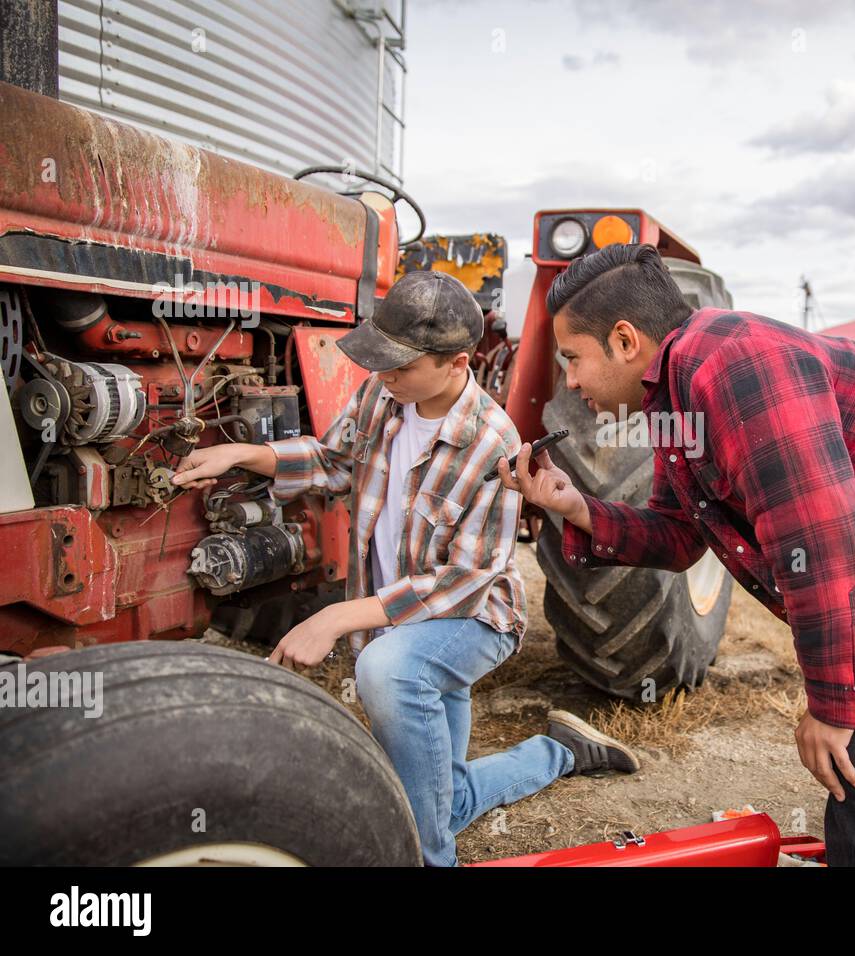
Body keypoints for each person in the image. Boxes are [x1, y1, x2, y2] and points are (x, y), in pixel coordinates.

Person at [495, 243, 855, 866]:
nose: (571, 382)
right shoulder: (673, 394)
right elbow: (679, 535)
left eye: (572, 359)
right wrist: (574, 506)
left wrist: (834, 707)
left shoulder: (735, 366)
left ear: (623, 340)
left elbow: (820, 537)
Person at [172, 270, 639, 867]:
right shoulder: (384, 395)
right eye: (381, 362)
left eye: (400, 365)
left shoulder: (493, 442)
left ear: (456, 362)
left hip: (472, 618)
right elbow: (333, 459)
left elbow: (464, 580)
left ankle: (428, 861)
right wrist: (247, 454)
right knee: (439, 799)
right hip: (400, 614)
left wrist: (338, 617)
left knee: (388, 670)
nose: (384, 375)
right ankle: (562, 753)